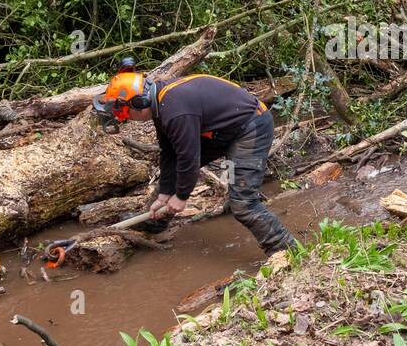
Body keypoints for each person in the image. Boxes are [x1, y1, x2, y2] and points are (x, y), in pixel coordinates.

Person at [93, 59, 296, 255]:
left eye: (124, 111)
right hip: (220, 130)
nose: (125, 117)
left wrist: (181, 197)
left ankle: (286, 250)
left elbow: (188, 157)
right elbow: (170, 153)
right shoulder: (161, 103)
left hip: (250, 127)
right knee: (172, 179)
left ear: (139, 103)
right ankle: (155, 223)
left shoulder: (175, 112)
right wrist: (165, 193)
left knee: (243, 204)